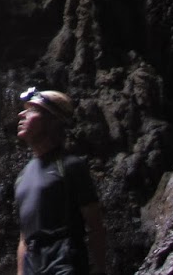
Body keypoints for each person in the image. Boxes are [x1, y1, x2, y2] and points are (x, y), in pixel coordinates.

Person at [15, 87, 109, 275]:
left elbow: (95, 224)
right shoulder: (23, 177)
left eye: (32, 110)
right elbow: (24, 238)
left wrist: (101, 269)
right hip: (34, 265)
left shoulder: (70, 166)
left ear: (51, 121)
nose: (21, 114)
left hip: (64, 264)